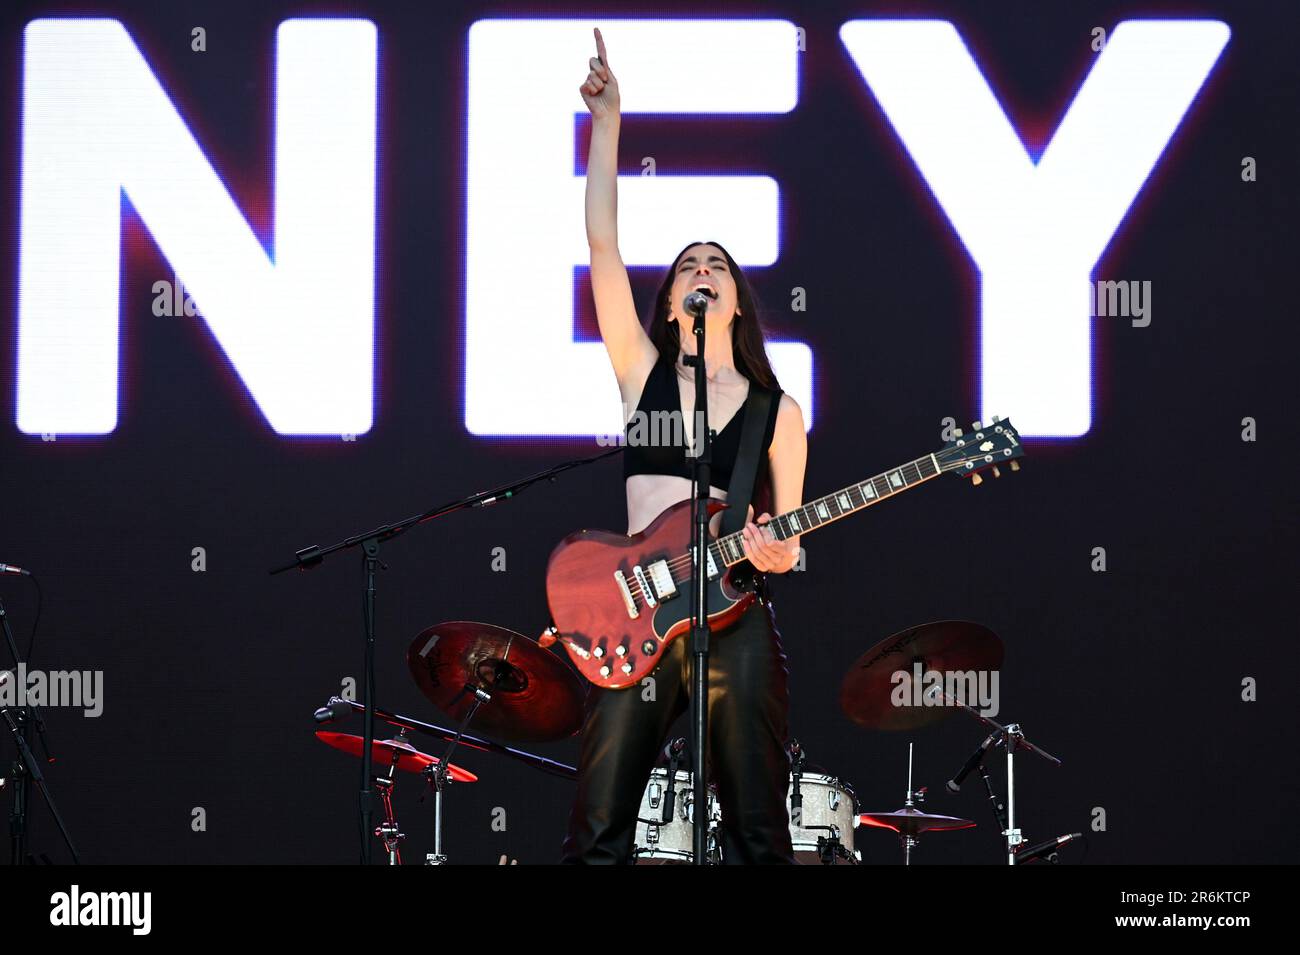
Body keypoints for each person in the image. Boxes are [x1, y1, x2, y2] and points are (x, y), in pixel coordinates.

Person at [560, 28, 808, 864]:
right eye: (690, 266)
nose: (704, 270)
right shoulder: (642, 373)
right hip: (635, 613)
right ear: (671, 303)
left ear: (735, 301)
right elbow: (601, 247)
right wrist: (608, 123)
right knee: (598, 829)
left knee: (757, 832)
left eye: (720, 266)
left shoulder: (778, 409)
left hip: (732, 617)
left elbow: (792, 536)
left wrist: (778, 552)